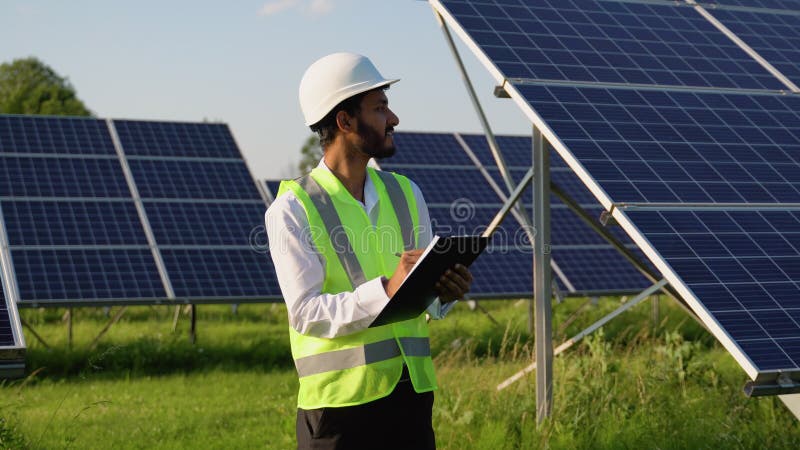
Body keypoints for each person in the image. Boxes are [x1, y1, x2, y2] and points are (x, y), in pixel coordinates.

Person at [265, 52, 473, 450]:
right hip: (337, 410)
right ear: (345, 121)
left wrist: (443, 292)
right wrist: (387, 288)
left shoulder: (407, 193)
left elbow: (418, 293)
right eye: (380, 108)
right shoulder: (292, 208)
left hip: (410, 398)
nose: (393, 118)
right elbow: (306, 313)